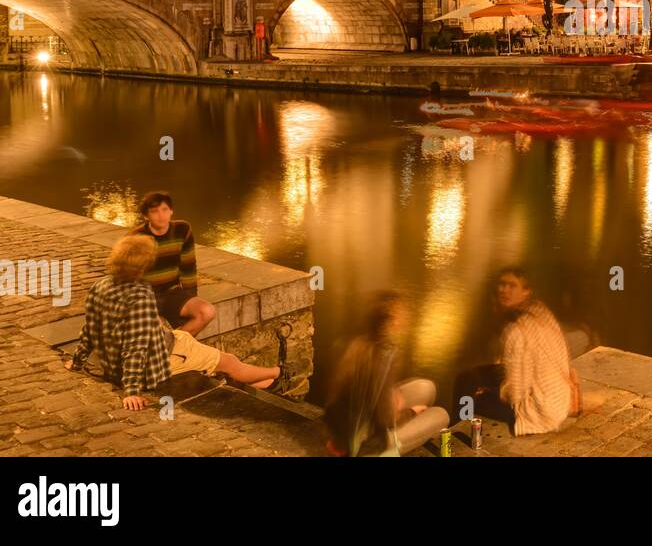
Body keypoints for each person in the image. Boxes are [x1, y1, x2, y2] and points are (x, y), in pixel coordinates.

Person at [66, 235, 280, 409]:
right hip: (159, 360)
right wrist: (131, 391)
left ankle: (257, 383)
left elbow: (89, 329)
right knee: (230, 361)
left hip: (164, 344)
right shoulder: (139, 296)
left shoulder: (101, 285)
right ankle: (278, 373)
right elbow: (136, 347)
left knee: (185, 338)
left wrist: (77, 362)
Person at [452, 268, 577, 437]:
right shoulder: (540, 312)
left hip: (540, 411)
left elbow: (516, 393)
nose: (504, 290)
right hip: (560, 398)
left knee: (469, 396)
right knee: (469, 376)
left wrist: (490, 392)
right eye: (502, 284)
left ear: (526, 292)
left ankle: (456, 435)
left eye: (512, 286)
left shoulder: (515, 331)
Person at [323, 292, 450, 457]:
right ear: (391, 322)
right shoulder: (380, 360)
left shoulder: (362, 345)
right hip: (365, 446)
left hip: (343, 432)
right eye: (402, 316)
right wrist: (411, 412)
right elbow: (385, 421)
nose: (406, 320)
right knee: (440, 415)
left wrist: (392, 396)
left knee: (426, 387)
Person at [129, 191, 216, 336]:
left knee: (207, 311)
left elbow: (188, 267)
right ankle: (171, 347)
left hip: (172, 292)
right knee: (153, 330)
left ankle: (173, 346)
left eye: (164, 210)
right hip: (145, 296)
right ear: (146, 216)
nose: (161, 215)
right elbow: (128, 276)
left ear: (171, 211)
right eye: (154, 211)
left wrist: (190, 297)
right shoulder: (136, 237)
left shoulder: (182, 230)